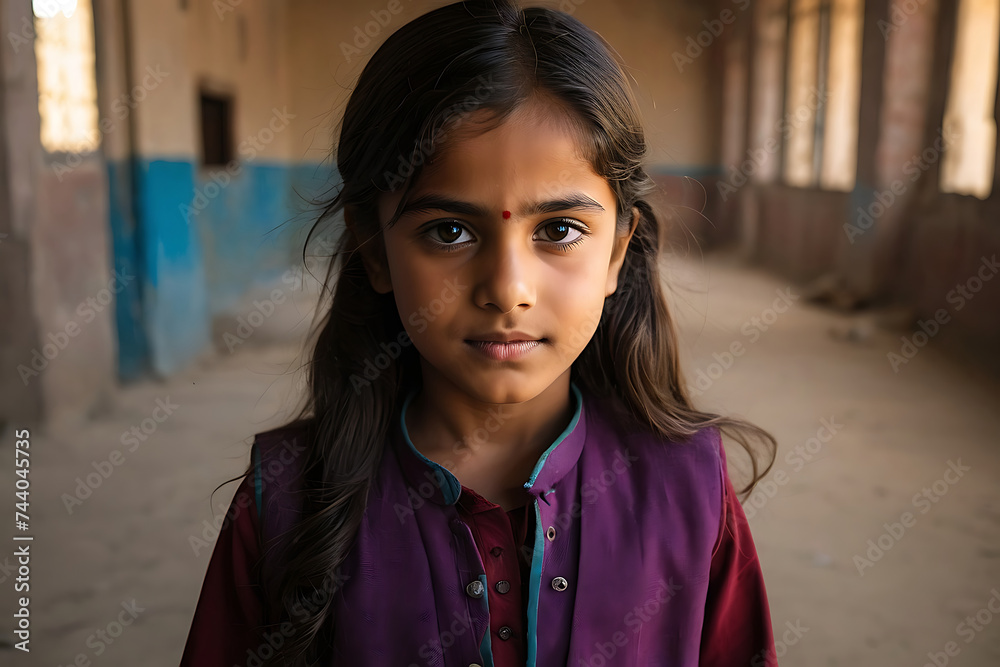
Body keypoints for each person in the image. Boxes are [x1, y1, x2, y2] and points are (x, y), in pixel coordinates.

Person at [179, 1, 780, 665]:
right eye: (449, 231)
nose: (507, 287)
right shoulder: (288, 501)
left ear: (616, 251)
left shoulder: (688, 487)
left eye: (558, 231)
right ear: (375, 249)